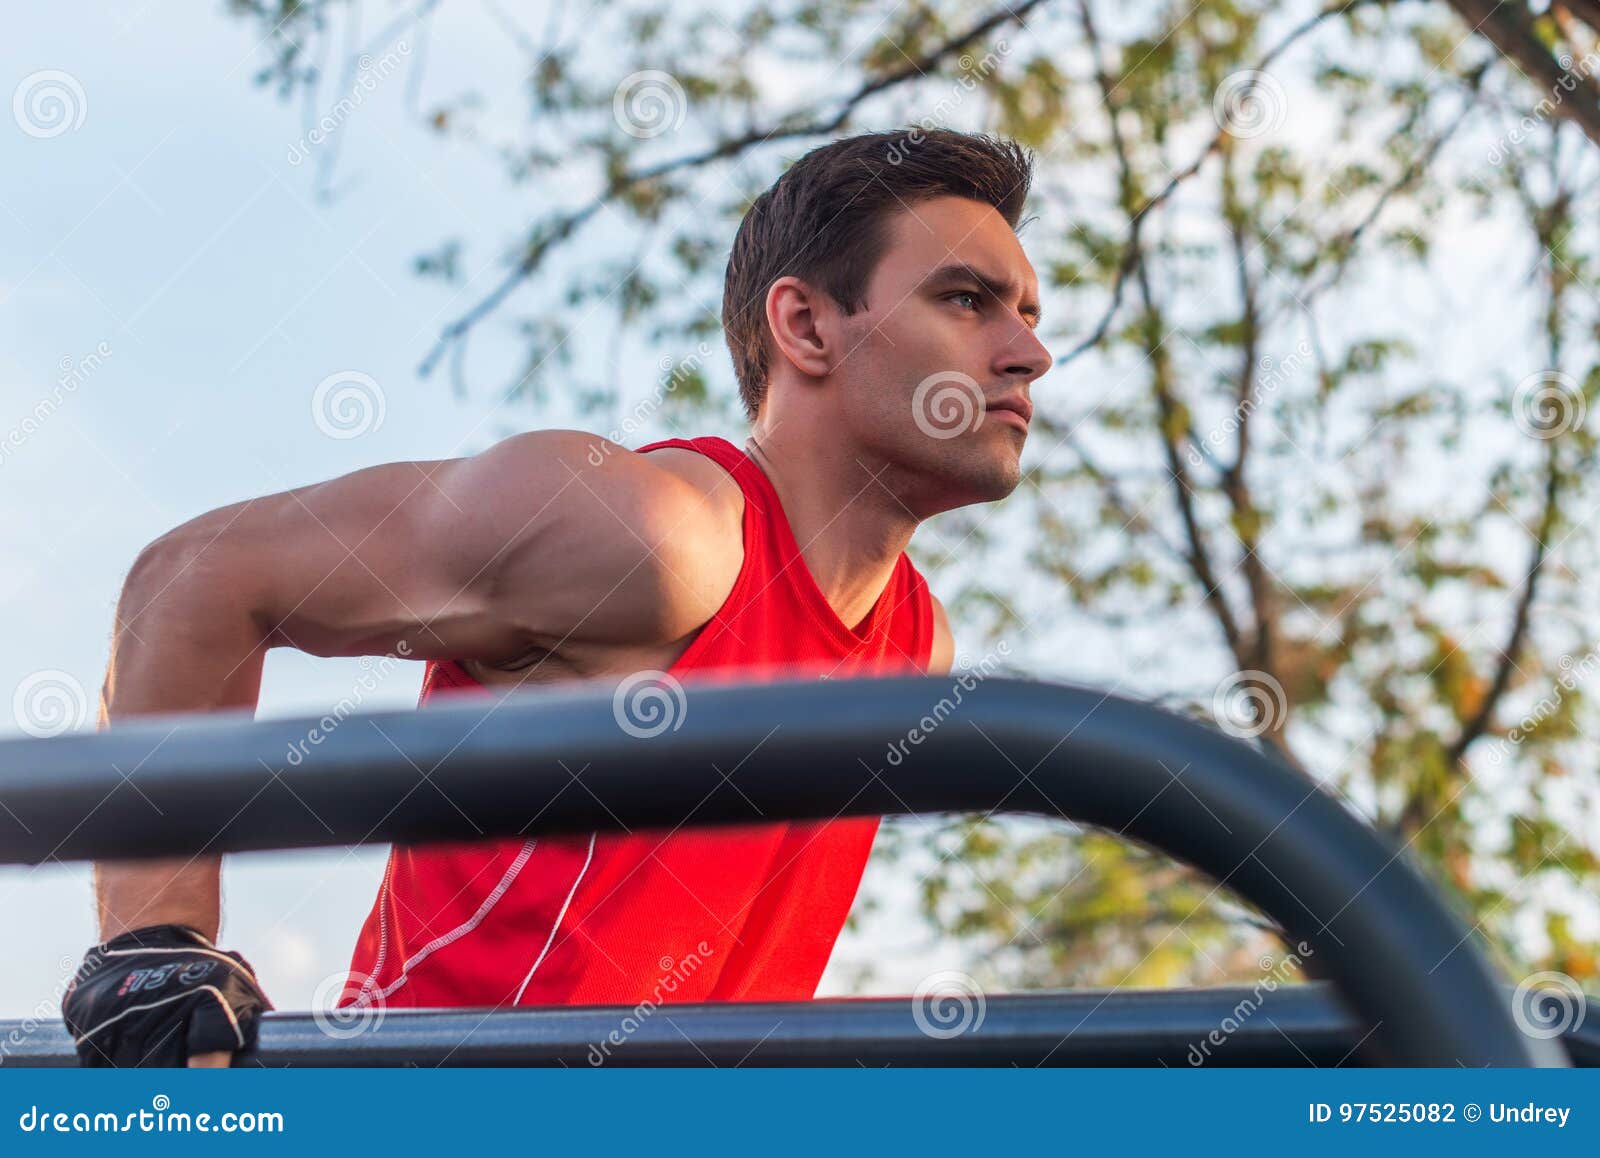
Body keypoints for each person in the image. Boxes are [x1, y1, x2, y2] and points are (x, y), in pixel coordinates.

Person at [61, 127, 1052, 1067]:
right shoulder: (653, 536)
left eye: (1027, 314)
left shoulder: (914, 644)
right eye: (966, 301)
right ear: (803, 326)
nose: (1026, 354)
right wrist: (157, 943)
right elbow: (196, 577)